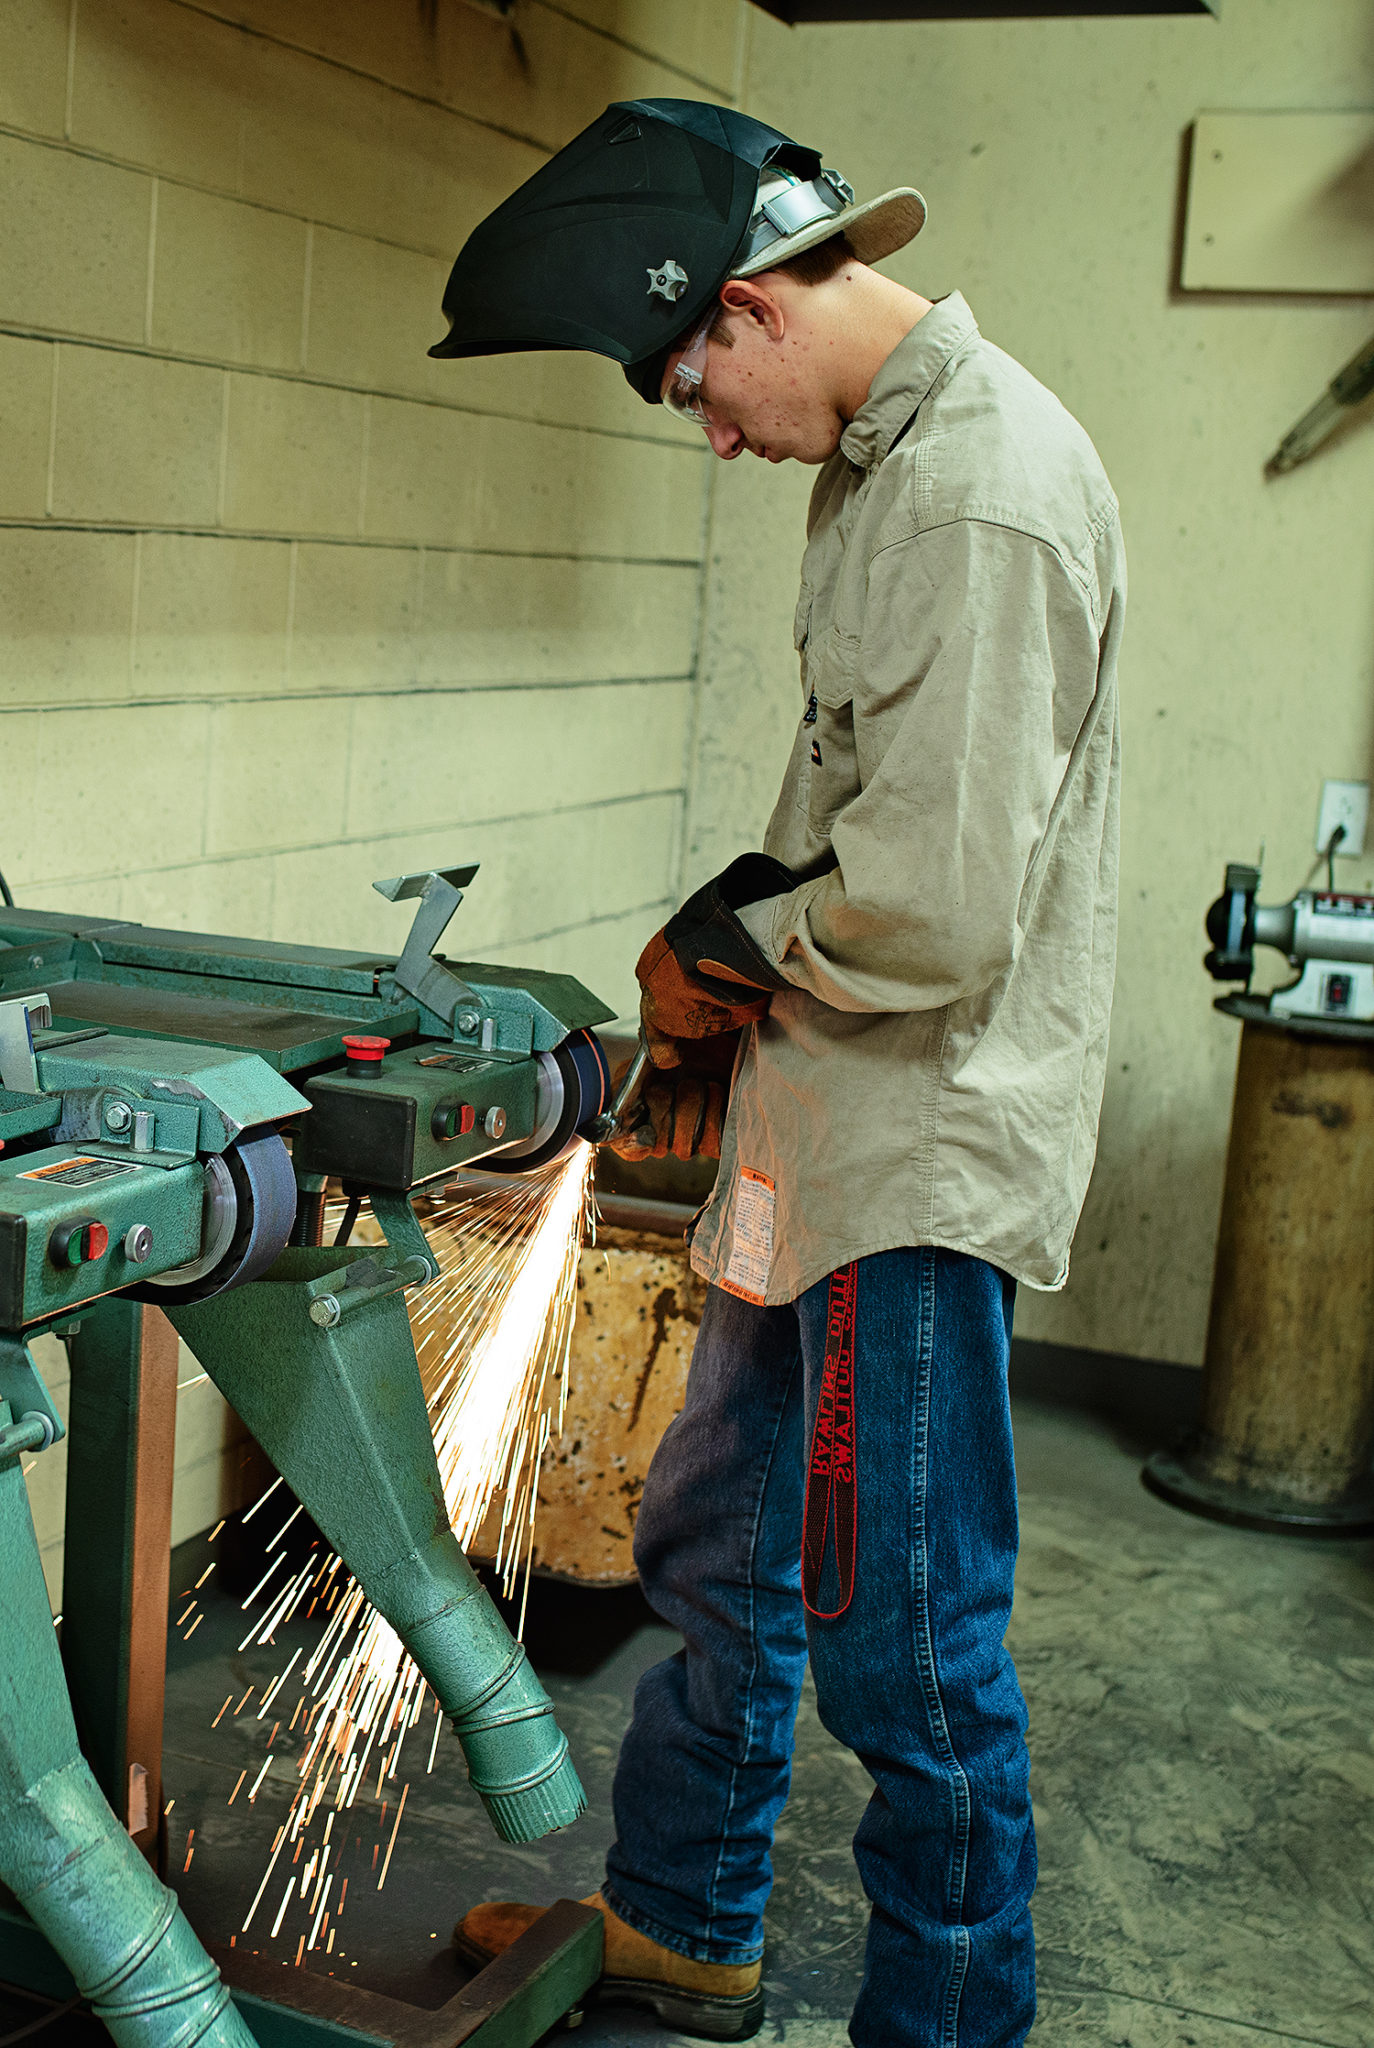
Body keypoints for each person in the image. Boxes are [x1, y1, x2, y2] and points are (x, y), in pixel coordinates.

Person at [429, 98, 1124, 2048]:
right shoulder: (886, 464)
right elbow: (856, 813)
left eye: (691, 390)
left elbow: (936, 907)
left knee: (905, 1638)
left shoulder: (977, 492)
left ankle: (950, 2023)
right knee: (723, 1539)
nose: (716, 437)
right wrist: (725, 973)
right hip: (811, 1121)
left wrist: (724, 956)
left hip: (910, 1156)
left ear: (742, 304)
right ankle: (685, 1915)